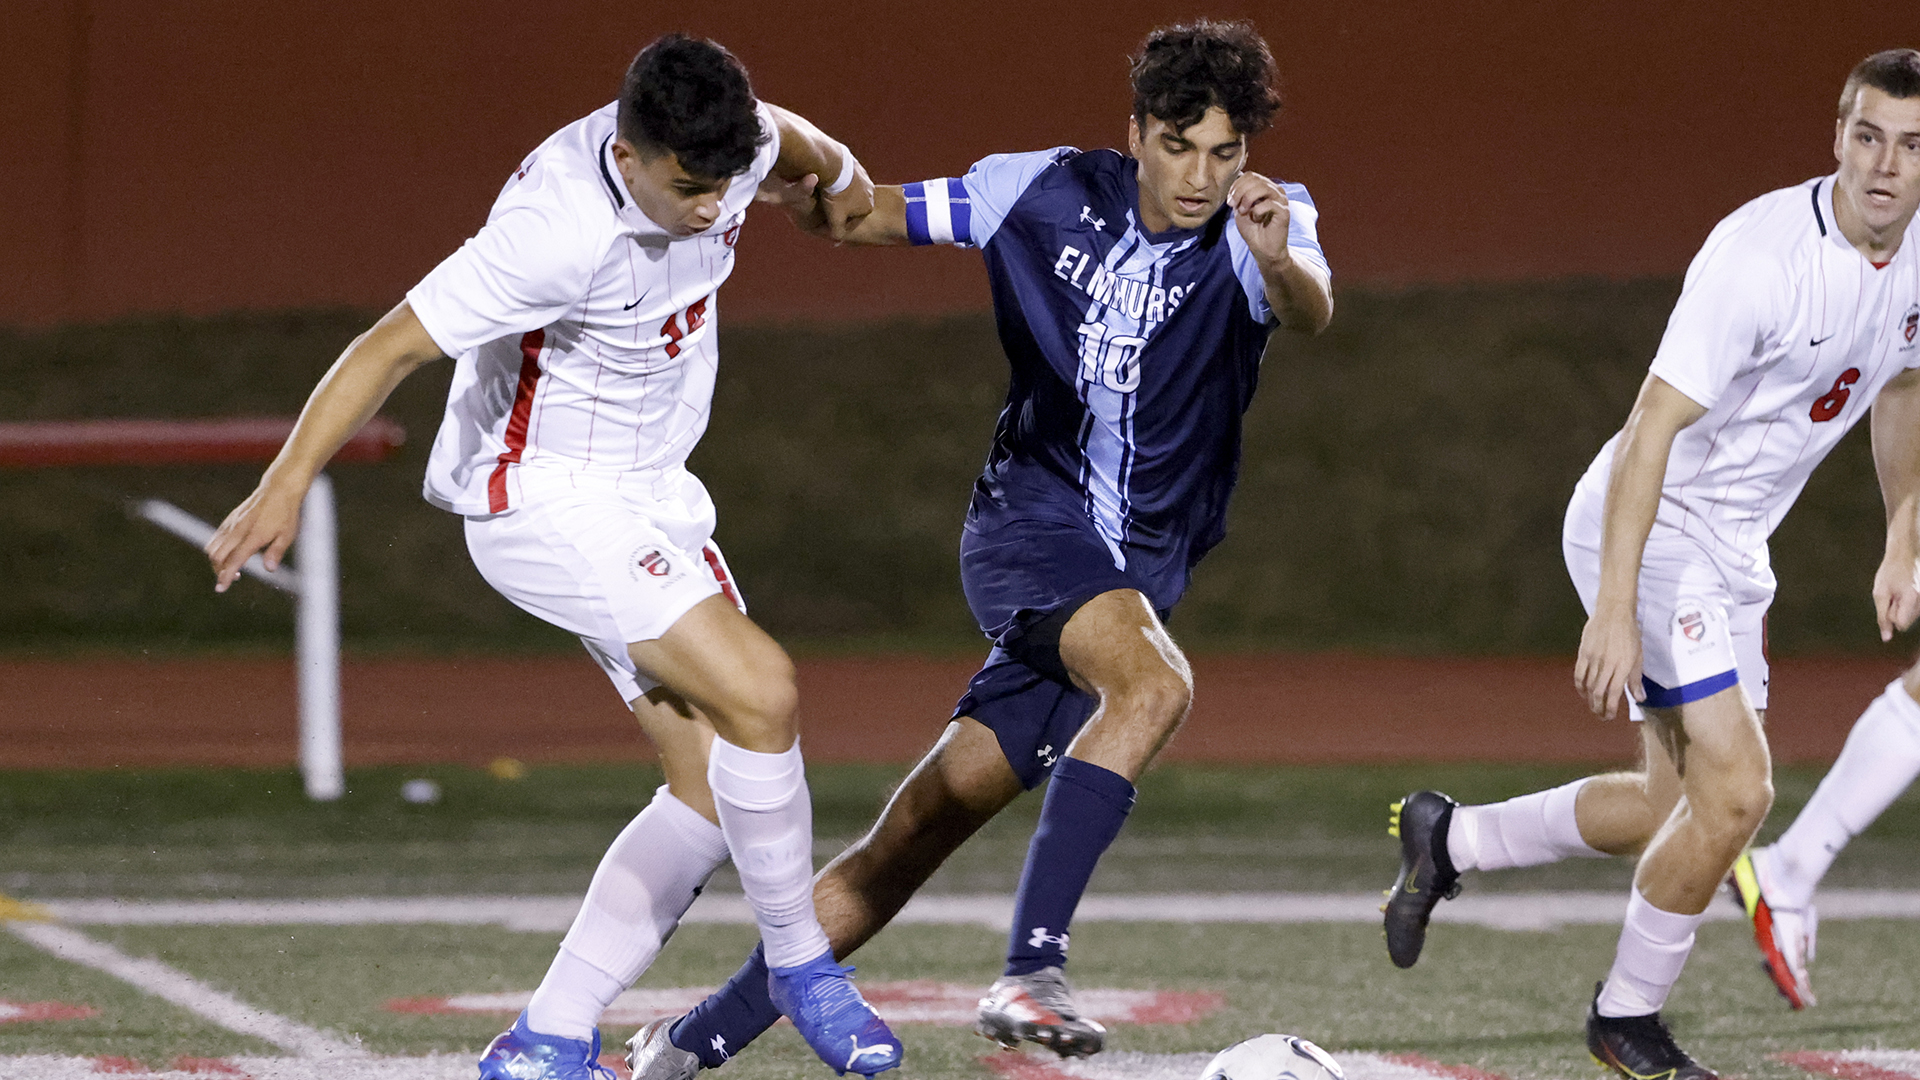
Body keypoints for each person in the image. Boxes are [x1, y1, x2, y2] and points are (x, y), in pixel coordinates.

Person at [625, 19, 1331, 1080]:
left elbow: (1309, 309)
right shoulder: (1040, 188)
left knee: (912, 836)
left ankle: (684, 1047)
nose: (1200, 175)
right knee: (1152, 687)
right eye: (1180, 144)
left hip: (1134, 576)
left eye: (1224, 153)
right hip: (1031, 523)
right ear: (1137, 130)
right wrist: (783, 171)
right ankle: (1032, 969)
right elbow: (863, 215)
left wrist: (1276, 261)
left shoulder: (1262, 226)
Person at [203, 34, 905, 1080]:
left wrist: (843, 180)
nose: (714, 208)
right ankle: (805, 966)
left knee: (712, 791)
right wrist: (287, 480)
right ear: (627, 156)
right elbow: (390, 342)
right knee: (762, 690)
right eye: (688, 189)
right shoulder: (554, 230)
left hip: (650, 496)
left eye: (724, 185)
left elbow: (791, 141)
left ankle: (546, 1038)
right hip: (541, 497)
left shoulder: (730, 148)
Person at [1382, 48, 1920, 1080]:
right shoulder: (1759, 257)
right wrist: (1616, 607)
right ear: (1837, 139)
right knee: (1739, 795)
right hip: (1652, 515)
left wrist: (1902, 533)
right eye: (1867, 136)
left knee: (1669, 809)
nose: (1885, 166)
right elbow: (1649, 428)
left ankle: (1448, 841)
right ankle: (1625, 1020)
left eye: (1909, 146)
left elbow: (1900, 385)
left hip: (1730, 547)